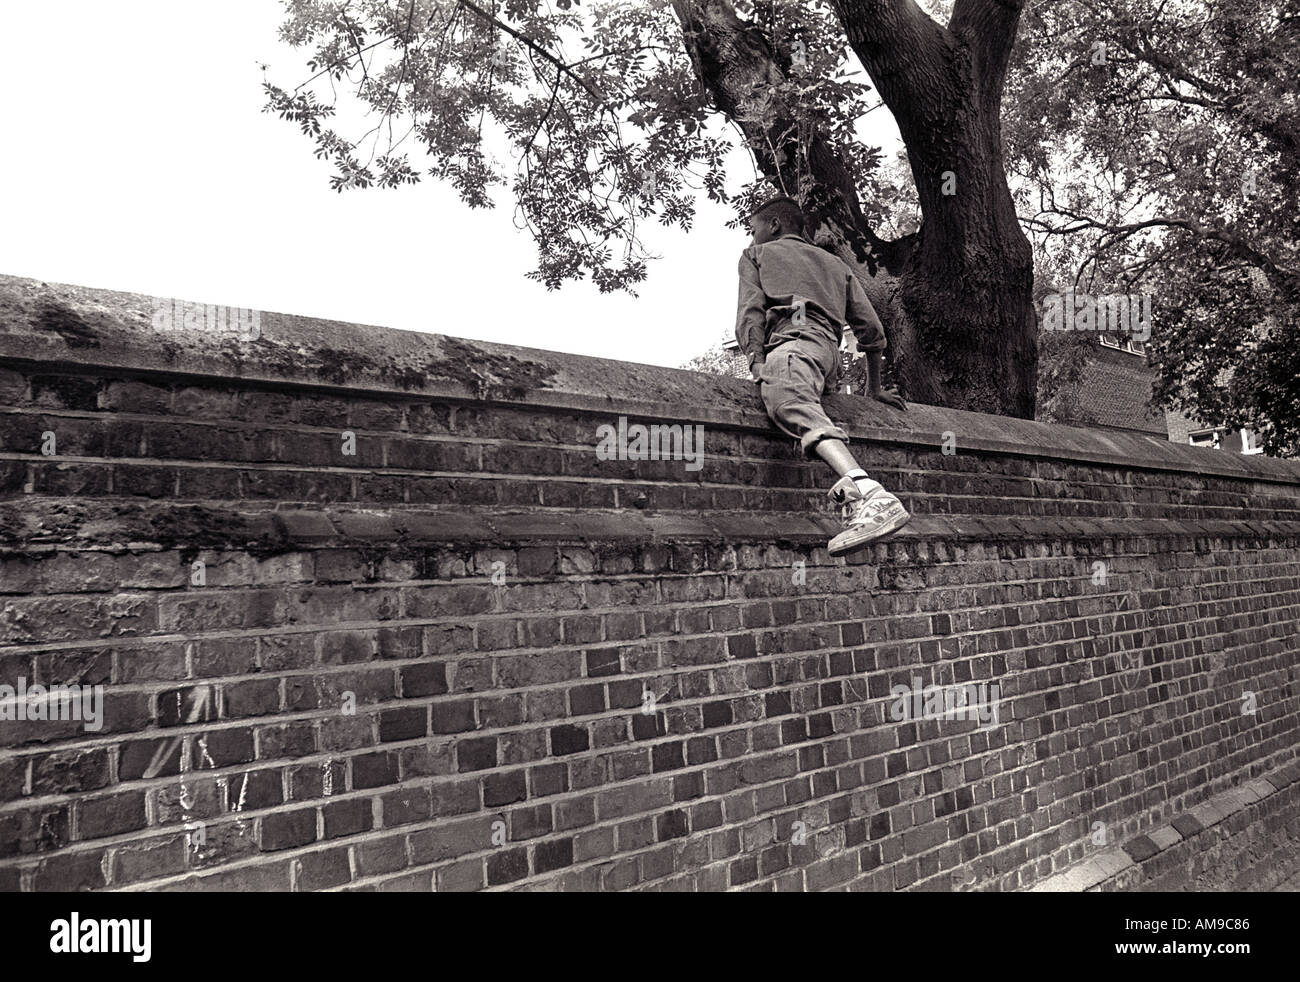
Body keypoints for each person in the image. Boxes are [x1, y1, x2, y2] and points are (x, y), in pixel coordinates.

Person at [735, 194, 912, 556]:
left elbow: (750, 313)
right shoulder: (835, 264)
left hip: (794, 341)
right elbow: (872, 331)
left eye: (753, 230)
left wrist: (757, 364)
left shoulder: (756, 256)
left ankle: (867, 493)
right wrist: (874, 390)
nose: (751, 238)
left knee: (787, 399)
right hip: (828, 353)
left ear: (774, 225)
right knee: (804, 396)